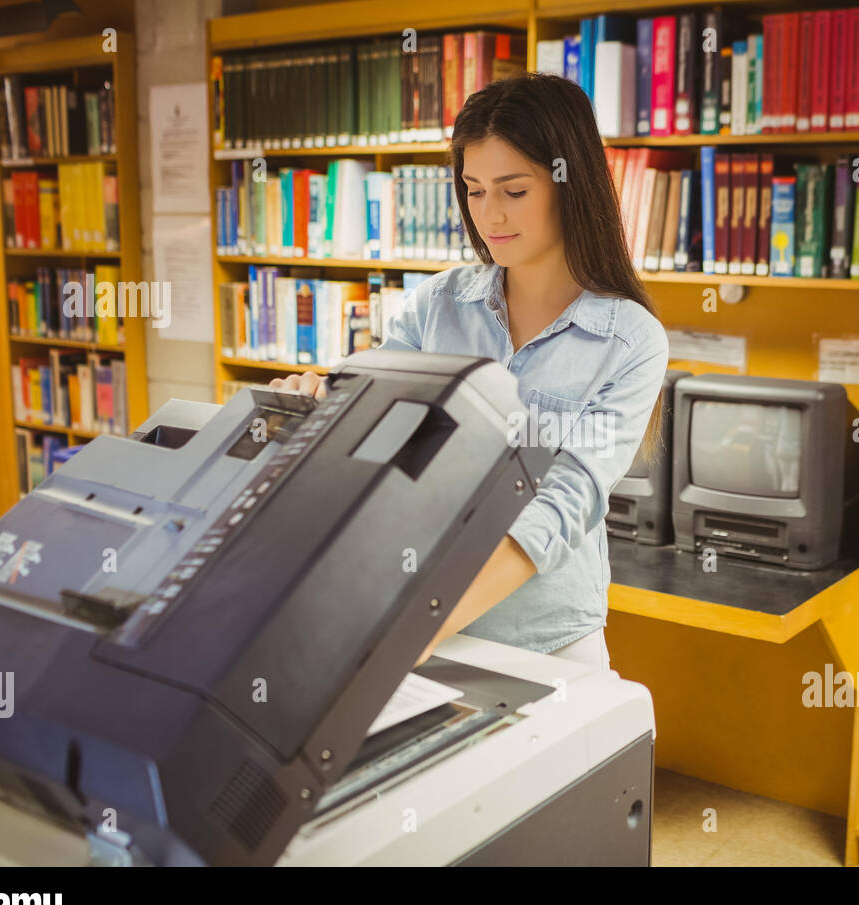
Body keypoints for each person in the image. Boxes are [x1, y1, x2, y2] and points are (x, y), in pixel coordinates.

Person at [269, 72, 669, 672]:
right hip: (424, 624)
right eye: (474, 190)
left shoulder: (630, 340)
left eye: (514, 190)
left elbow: (562, 503)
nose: (489, 215)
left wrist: (415, 629)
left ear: (569, 184)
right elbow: (372, 405)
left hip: (547, 644)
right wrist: (315, 405)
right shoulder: (437, 304)